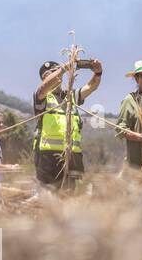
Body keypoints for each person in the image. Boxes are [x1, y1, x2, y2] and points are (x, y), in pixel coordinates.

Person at [34, 58, 102, 190]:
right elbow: (42, 89)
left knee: (71, 198)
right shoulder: (42, 97)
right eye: (50, 75)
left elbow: (91, 86)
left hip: (73, 157)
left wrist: (98, 72)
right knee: (50, 198)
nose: (56, 77)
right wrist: (63, 69)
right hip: (49, 157)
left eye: (56, 73)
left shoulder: (70, 97)